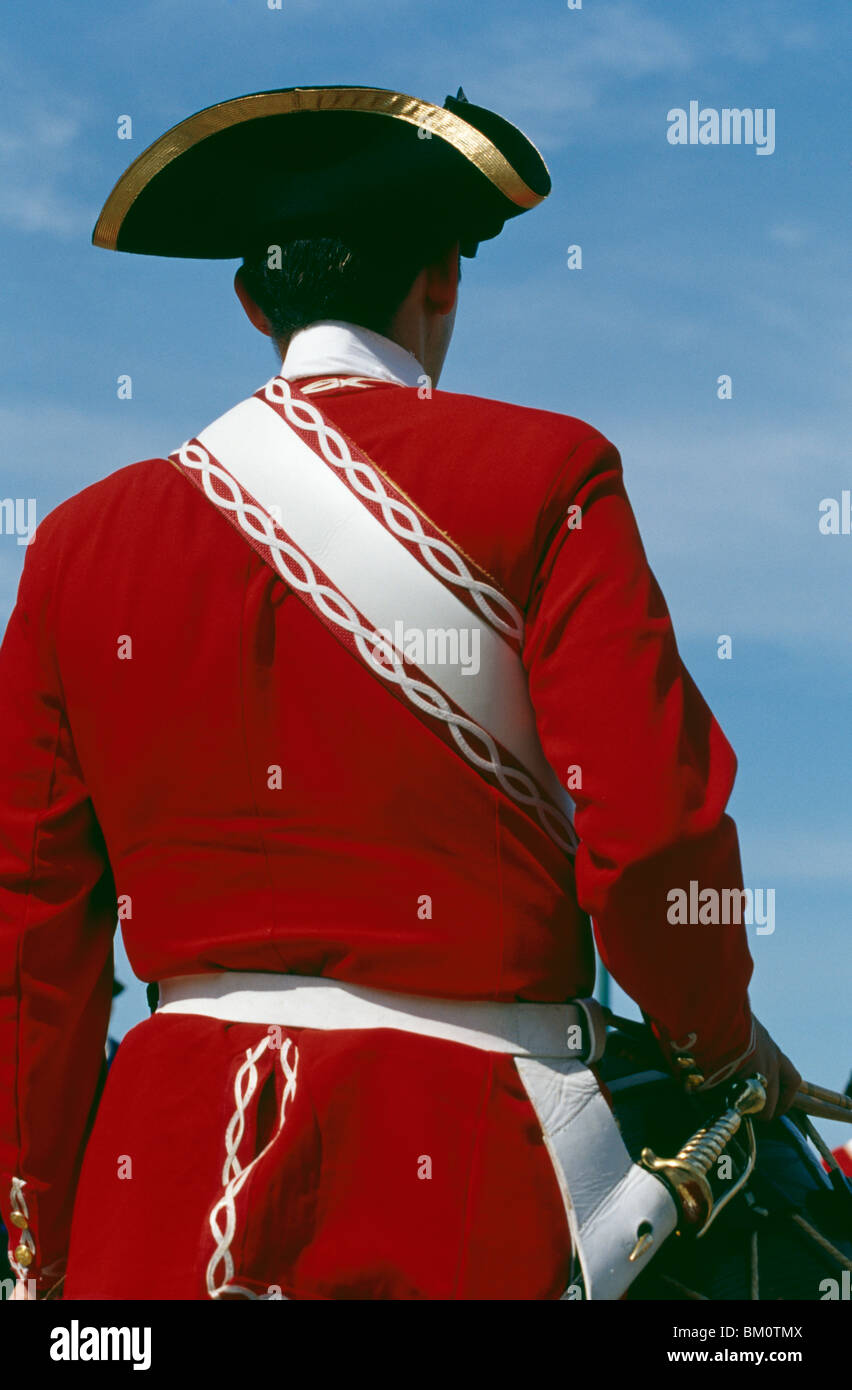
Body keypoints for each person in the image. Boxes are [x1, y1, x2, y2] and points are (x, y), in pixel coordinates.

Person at [0, 84, 800, 1301]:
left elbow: (28, 949)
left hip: (147, 1204)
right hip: (470, 1172)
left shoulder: (73, 550)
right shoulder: (550, 477)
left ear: (252, 302)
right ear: (444, 278)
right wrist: (720, 1041)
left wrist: (42, 1242)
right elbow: (653, 838)